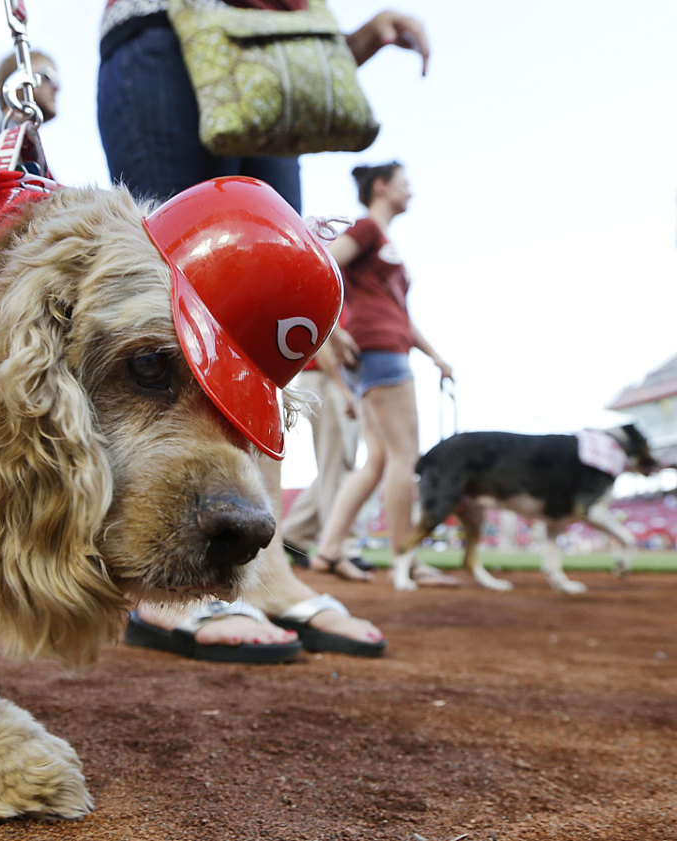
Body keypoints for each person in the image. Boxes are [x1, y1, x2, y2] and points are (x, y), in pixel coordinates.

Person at [99, 1, 430, 660]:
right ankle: (165, 566)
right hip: (160, 23)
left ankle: (265, 563)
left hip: (264, 39)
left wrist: (346, 45)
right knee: (172, 293)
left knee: (267, 304)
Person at [311, 161, 459, 587]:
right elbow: (322, 261)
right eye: (405, 184)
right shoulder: (366, 230)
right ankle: (406, 558)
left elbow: (401, 315)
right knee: (403, 457)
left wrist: (435, 356)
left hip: (382, 348)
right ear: (382, 186)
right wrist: (332, 326)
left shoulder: (383, 243)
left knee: (376, 460)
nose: (410, 191)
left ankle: (329, 549)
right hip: (378, 350)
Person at [280, 319, 374, 572]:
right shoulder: (340, 287)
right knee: (338, 467)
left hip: (334, 380)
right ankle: (342, 547)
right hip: (327, 378)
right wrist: (344, 390)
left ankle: (295, 533)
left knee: (335, 465)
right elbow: (322, 344)